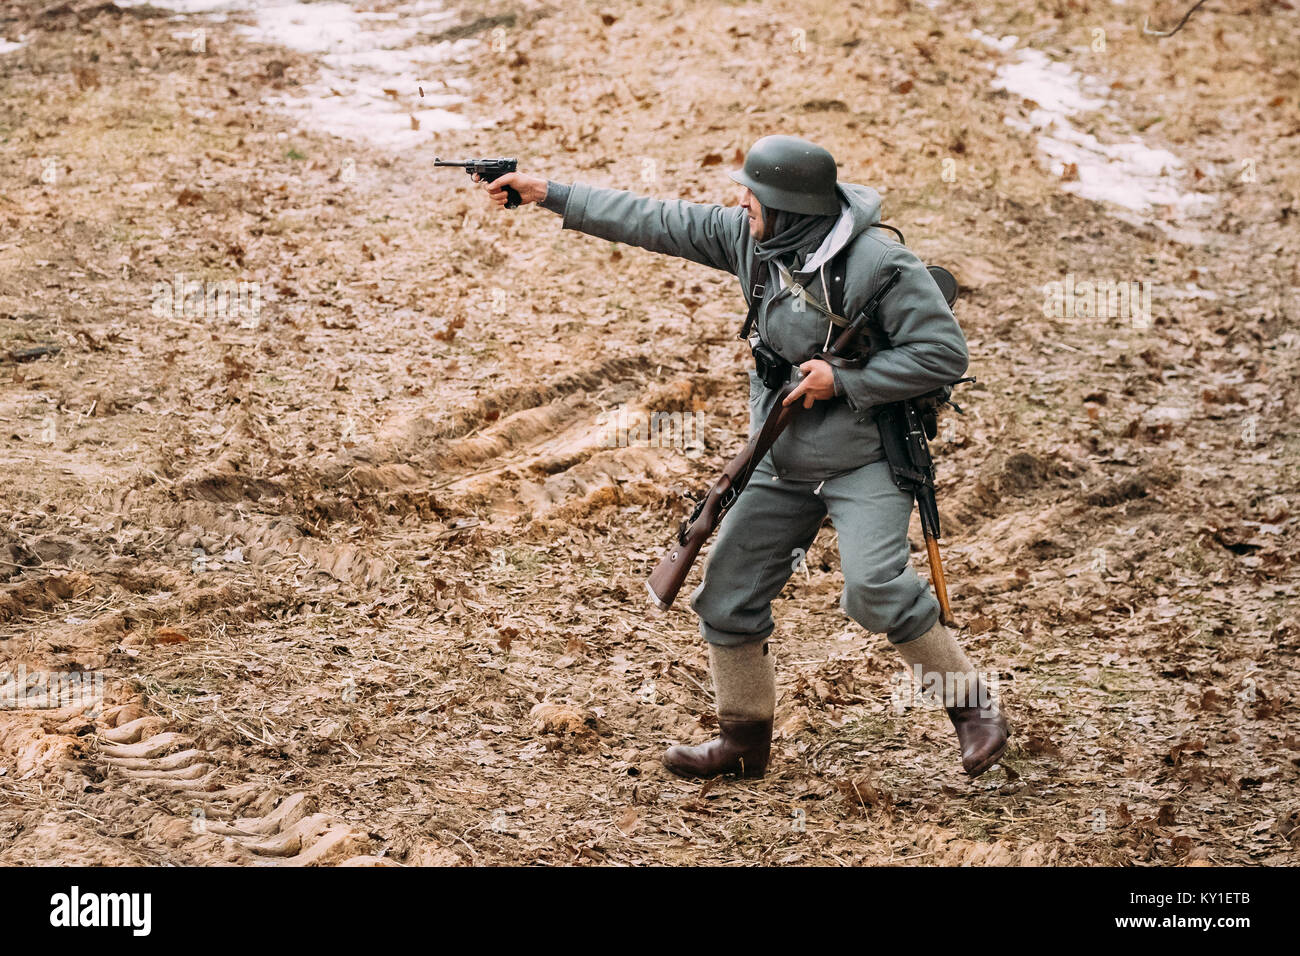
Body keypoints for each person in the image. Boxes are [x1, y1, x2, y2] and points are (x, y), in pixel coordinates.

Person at [476, 135, 1010, 779]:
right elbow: (656, 219)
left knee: (874, 588)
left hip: (864, 456)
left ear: (786, 205)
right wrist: (548, 194)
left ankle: (971, 708)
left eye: (751, 194)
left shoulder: (881, 263)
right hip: (780, 455)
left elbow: (943, 355)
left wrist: (843, 381)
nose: (740, 202)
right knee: (725, 597)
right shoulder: (753, 241)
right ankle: (742, 743)